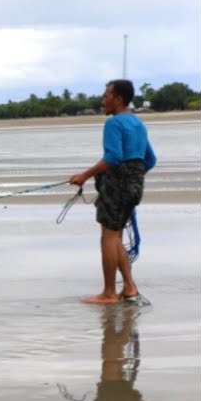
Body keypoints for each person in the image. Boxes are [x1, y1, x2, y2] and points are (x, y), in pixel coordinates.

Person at [68, 79, 157, 305]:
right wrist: (133, 178)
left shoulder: (114, 123)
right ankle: (128, 287)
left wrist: (84, 176)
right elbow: (150, 160)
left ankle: (109, 293)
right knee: (115, 236)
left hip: (118, 185)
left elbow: (113, 158)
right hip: (135, 186)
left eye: (107, 95)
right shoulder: (138, 123)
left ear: (118, 99)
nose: (103, 99)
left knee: (109, 237)